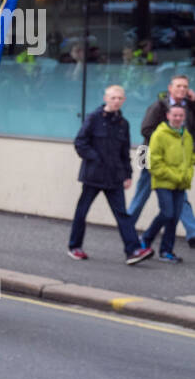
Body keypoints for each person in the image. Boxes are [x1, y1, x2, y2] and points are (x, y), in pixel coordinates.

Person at [67, 85, 155, 264]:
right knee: (82, 212)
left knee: (123, 214)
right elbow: (80, 143)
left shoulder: (124, 124)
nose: (116, 101)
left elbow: (124, 152)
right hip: (93, 176)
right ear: (106, 98)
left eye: (120, 98)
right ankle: (74, 246)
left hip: (114, 177)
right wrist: (96, 158)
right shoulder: (93, 118)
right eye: (113, 98)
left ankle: (133, 251)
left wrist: (128, 174)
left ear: (123, 101)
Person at [128, 74, 195, 246]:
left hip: (177, 162)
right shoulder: (159, 105)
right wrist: (166, 143)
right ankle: (127, 227)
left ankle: (192, 232)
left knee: (180, 196)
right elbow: (146, 129)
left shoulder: (188, 107)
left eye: (185, 87)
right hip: (152, 156)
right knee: (142, 193)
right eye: (178, 86)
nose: (182, 90)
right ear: (170, 88)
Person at [142, 103, 193, 263]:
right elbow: (154, 162)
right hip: (163, 182)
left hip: (181, 183)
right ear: (168, 116)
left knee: (175, 217)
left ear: (184, 117)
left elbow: (190, 158)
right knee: (167, 213)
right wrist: (175, 176)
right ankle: (145, 239)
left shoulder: (187, 136)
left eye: (180, 116)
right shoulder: (159, 134)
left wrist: (187, 175)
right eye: (175, 115)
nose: (177, 118)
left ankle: (166, 251)